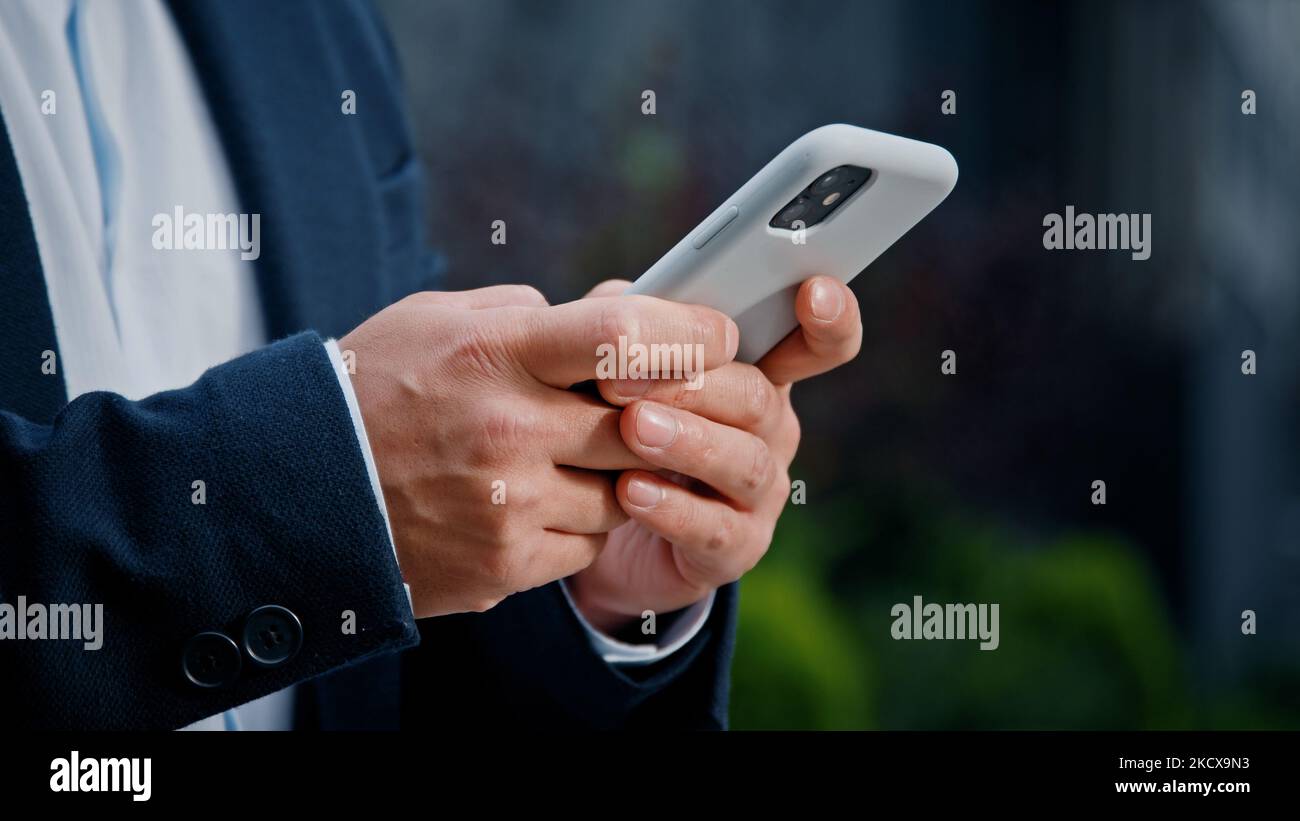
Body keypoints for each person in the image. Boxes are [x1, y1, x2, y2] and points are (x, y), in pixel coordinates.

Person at [0, 0, 862, 730]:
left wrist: (585, 572)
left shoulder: (312, 29)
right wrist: (329, 484)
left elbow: (385, 633)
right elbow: (359, 479)